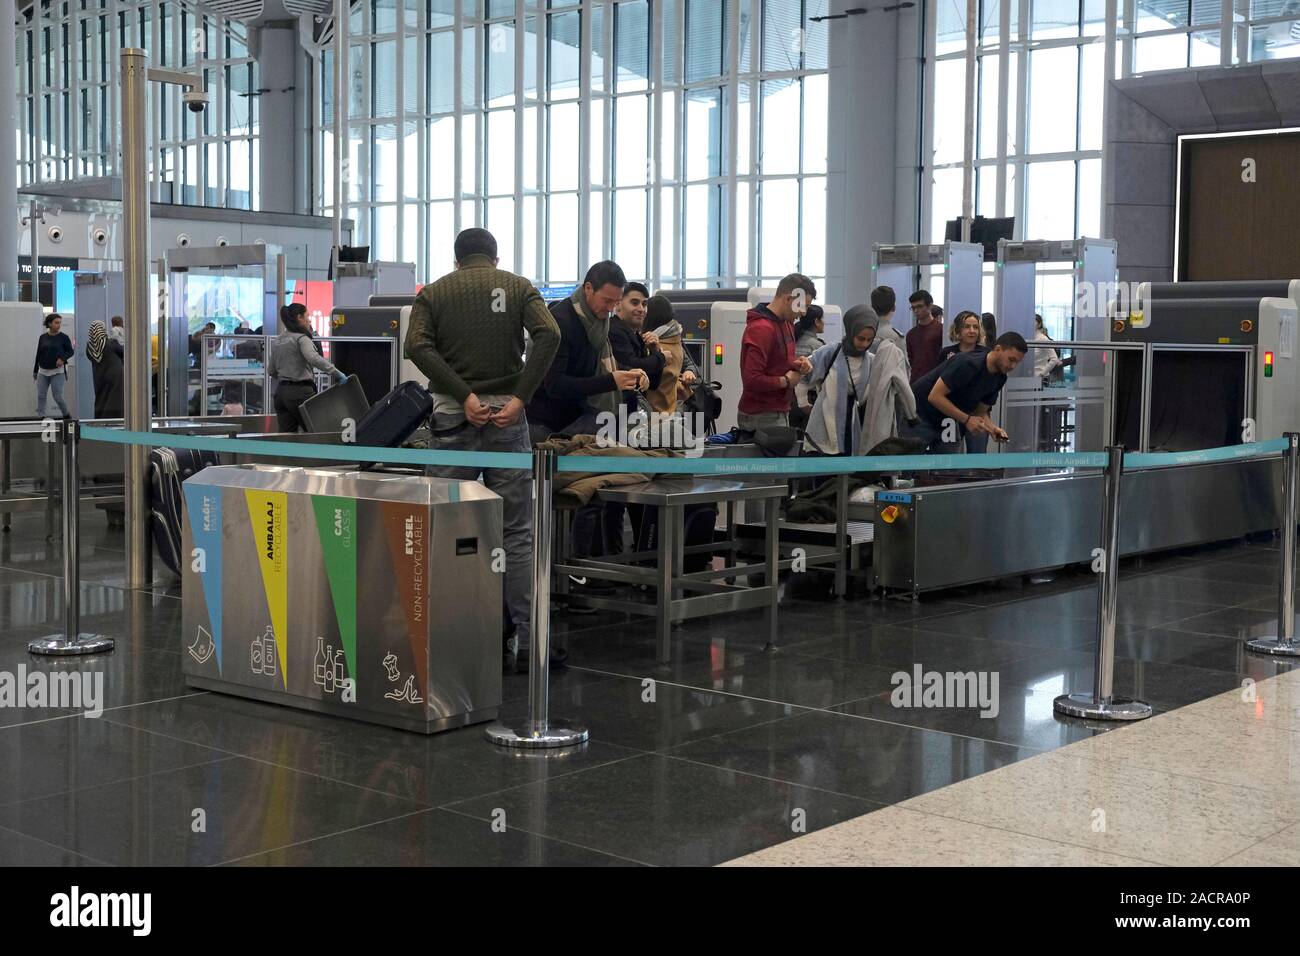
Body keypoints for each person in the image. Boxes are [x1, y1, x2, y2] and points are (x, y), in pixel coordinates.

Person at [406, 227, 561, 670]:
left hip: (454, 416)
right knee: (516, 530)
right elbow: (549, 335)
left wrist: (463, 394)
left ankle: (446, 637)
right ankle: (531, 643)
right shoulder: (517, 287)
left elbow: (415, 344)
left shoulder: (434, 294)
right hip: (508, 419)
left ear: (457, 261)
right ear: (494, 258)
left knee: (444, 525)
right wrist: (520, 397)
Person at [526, 260, 646, 445]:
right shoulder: (561, 322)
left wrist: (630, 374)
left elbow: (593, 365)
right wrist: (612, 381)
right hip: (546, 424)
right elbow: (555, 385)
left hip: (576, 417)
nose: (610, 308)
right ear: (588, 288)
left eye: (616, 302)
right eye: (607, 300)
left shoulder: (597, 323)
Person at [905, 332, 1028, 452]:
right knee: (910, 464)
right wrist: (967, 420)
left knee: (948, 467)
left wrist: (992, 428)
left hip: (948, 420)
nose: (1013, 366)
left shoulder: (1000, 377)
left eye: (1017, 362)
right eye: (1011, 359)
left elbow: (980, 410)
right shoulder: (968, 363)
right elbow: (935, 396)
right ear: (998, 349)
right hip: (920, 413)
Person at [738, 273, 816, 432]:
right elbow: (751, 379)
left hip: (779, 410)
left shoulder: (787, 324)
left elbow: (778, 361)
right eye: (803, 306)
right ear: (789, 299)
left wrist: (798, 363)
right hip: (761, 415)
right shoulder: (761, 329)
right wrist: (785, 381)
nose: (804, 313)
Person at [803, 306, 876, 456]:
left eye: (869, 340)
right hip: (827, 424)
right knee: (826, 474)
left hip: (857, 426)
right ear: (850, 332)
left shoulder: (872, 361)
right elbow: (803, 376)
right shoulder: (830, 352)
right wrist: (803, 403)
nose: (864, 344)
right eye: (860, 338)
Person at [266, 303, 346, 432]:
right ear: (299, 317)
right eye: (307, 316)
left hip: (280, 394)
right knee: (317, 431)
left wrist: (287, 376)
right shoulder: (302, 339)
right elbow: (314, 358)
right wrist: (336, 373)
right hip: (300, 392)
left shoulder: (279, 340)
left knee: (287, 436)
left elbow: (271, 371)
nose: (309, 320)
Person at [609, 282, 666, 417]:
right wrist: (661, 357)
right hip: (617, 413)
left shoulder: (637, 336)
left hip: (633, 413)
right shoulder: (614, 331)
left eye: (644, 304)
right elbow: (632, 368)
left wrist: (654, 351)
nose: (641, 309)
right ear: (618, 304)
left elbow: (652, 383)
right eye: (634, 303)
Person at [33, 313, 74, 418]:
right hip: (43, 370)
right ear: (49, 324)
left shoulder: (64, 337)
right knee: (41, 395)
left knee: (57, 396)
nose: (59, 325)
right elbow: (38, 354)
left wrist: (62, 359)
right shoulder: (42, 337)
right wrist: (35, 370)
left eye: (60, 323)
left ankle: (66, 414)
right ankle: (41, 416)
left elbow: (70, 351)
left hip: (58, 371)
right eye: (56, 323)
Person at [85, 320, 124, 418]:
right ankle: (115, 421)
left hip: (99, 376)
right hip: (115, 376)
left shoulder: (89, 347)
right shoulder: (111, 343)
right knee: (115, 399)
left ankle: (100, 421)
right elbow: (124, 352)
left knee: (101, 398)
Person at [904, 289, 943, 383]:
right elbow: (911, 361)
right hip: (915, 382)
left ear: (929, 306)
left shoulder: (941, 330)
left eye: (919, 306)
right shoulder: (911, 334)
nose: (916, 311)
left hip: (935, 381)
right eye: (913, 308)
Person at [870, 286, 905, 356]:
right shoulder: (895, 337)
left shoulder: (862, 332)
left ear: (872, 307)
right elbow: (903, 365)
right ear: (894, 308)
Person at [1033, 313, 1061, 380]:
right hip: (1027, 376)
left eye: (1033, 321)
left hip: (1039, 378)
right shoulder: (1027, 337)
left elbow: (1054, 359)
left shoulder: (1043, 338)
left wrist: (1041, 374)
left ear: (1039, 324)